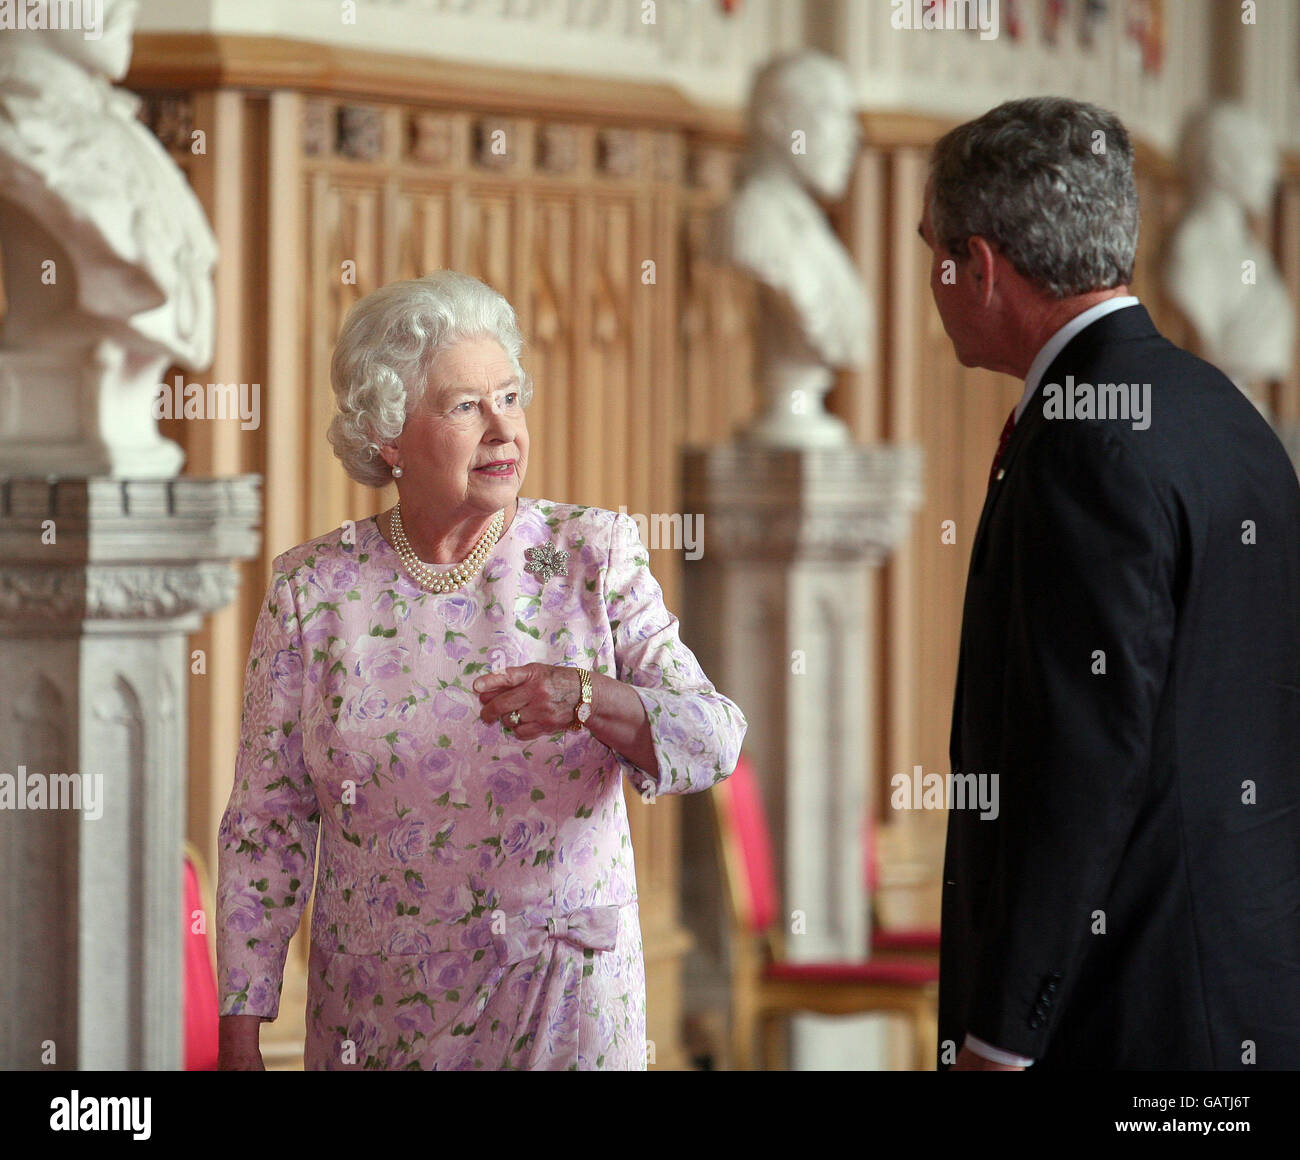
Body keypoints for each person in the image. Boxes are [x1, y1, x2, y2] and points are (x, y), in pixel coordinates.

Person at [215, 270, 747, 1070]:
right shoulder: (311, 593)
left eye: (509, 396)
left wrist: (588, 698)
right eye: (465, 405)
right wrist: (240, 1031)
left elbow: (715, 738)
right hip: (380, 1017)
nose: (503, 428)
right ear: (389, 437)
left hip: (563, 1001)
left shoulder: (591, 557)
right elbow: (267, 822)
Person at [918, 96, 1300, 1070]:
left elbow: (1080, 762)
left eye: (935, 252)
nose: (930, 282)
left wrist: (1003, 1032)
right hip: (1243, 986)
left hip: (1124, 1014)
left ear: (983, 265)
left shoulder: (1083, 441)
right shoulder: (1222, 412)